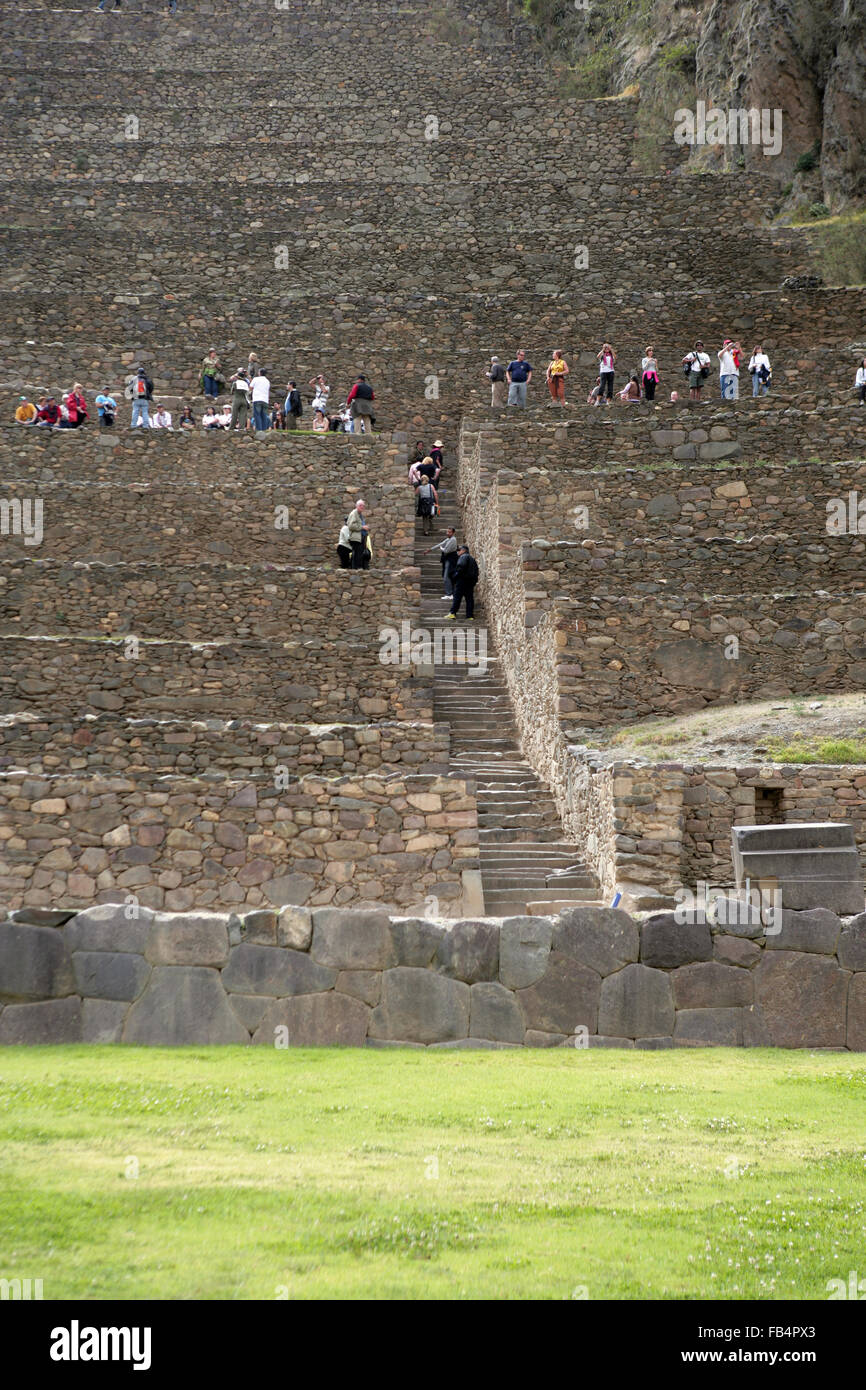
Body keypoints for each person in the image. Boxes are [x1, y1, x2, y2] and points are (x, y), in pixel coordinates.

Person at [446, 546, 479, 620]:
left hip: (462, 581)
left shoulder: (463, 557)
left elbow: (461, 566)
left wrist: (455, 576)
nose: (458, 552)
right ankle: (469, 616)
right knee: (469, 599)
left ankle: (452, 613)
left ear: (463, 550)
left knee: (457, 598)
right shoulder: (472, 559)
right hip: (470, 582)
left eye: (459, 550)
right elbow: (476, 571)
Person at [430, 527, 458, 598]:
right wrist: (430, 550)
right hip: (447, 559)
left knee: (447, 577)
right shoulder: (449, 539)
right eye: (447, 532)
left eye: (449, 532)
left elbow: (446, 550)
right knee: (447, 576)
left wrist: (442, 549)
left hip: (451, 560)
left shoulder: (453, 539)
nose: (447, 533)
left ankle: (449, 594)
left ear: (453, 533)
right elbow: (441, 544)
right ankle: (450, 593)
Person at [346, 500, 366, 569]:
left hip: (360, 537)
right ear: (356, 506)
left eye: (363, 506)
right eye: (360, 505)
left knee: (359, 553)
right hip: (355, 538)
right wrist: (362, 527)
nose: (362, 507)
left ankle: (358, 568)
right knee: (357, 554)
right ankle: (356, 569)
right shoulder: (354, 513)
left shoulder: (360, 514)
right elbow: (351, 525)